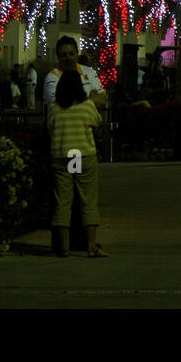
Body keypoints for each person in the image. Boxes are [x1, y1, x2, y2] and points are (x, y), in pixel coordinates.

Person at [47, 43, 109, 258]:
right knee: (87, 200)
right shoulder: (87, 107)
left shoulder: (55, 108)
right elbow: (96, 122)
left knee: (63, 200)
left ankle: (62, 246)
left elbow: (50, 126)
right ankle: (91, 245)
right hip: (83, 155)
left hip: (62, 155)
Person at [44, 37, 104, 125]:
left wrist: (72, 104)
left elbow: (102, 98)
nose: (68, 58)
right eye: (64, 55)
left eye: (71, 54)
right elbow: (56, 107)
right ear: (58, 56)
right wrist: (90, 102)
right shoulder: (52, 78)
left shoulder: (89, 72)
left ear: (77, 54)